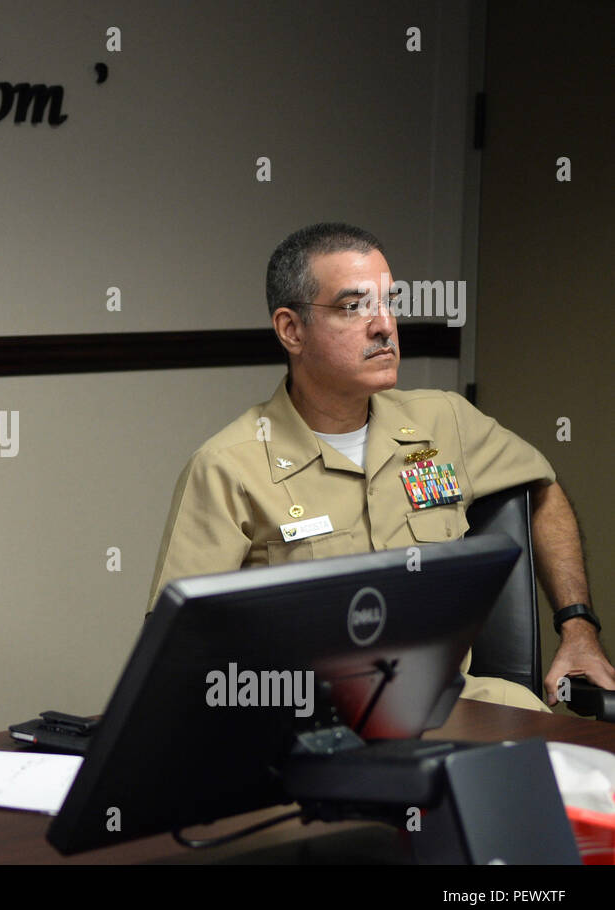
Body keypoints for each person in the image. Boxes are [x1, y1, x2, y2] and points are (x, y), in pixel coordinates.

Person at [147, 223, 614, 711]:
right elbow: (176, 655)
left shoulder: (444, 420)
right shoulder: (229, 467)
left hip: (456, 705)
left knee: (568, 775)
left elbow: (542, 490)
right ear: (291, 330)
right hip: (307, 721)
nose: (384, 325)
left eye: (389, 302)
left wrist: (577, 625)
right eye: (353, 307)